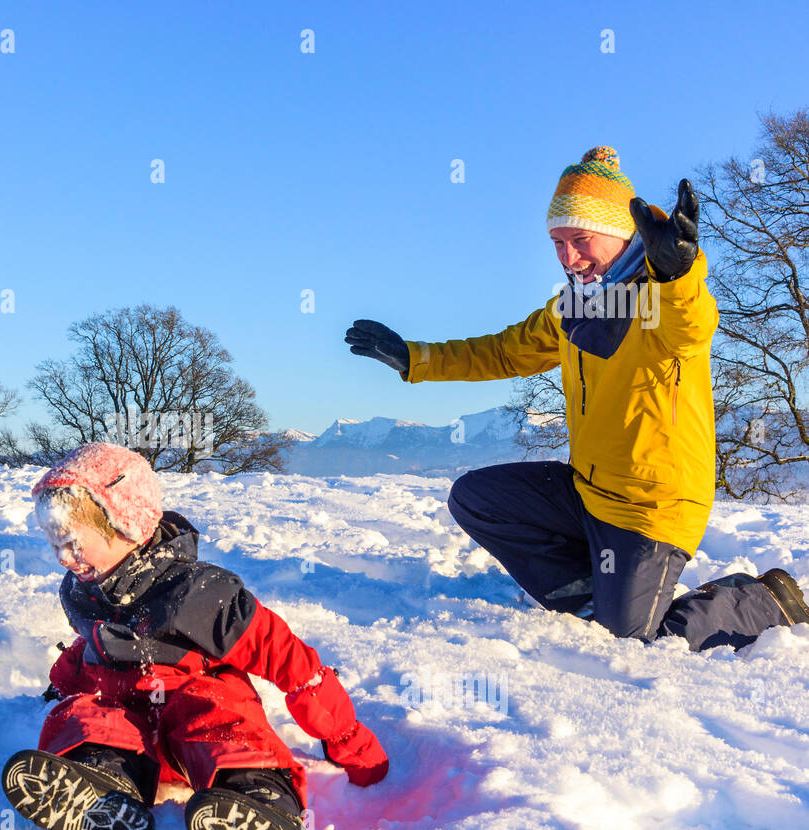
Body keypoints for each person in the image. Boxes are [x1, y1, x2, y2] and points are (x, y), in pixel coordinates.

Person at [346, 146, 808, 652]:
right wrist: (415, 358)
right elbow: (503, 353)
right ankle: (596, 591)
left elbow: (692, 325)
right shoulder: (575, 307)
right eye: (557, 242)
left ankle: (761, 600)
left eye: (580, 239)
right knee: (475, 499)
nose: (568, 257)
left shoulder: (660, 301)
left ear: (619, 232)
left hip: (650, 507)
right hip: (587, 491)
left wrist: (678, 273)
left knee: (635, 643)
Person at [1, 443, 388, 830]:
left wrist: (347, 740)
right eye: (56, 544)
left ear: (127, 525)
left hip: (197, 701)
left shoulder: (200, 596)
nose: (64, 558)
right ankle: (104, 784)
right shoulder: (88, 593)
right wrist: (62, 685)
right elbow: (90, 645)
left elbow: (289, 661)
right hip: (131, 719)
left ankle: (258, 798)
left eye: (76, 544)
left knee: (227, 724)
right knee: (87, 713)